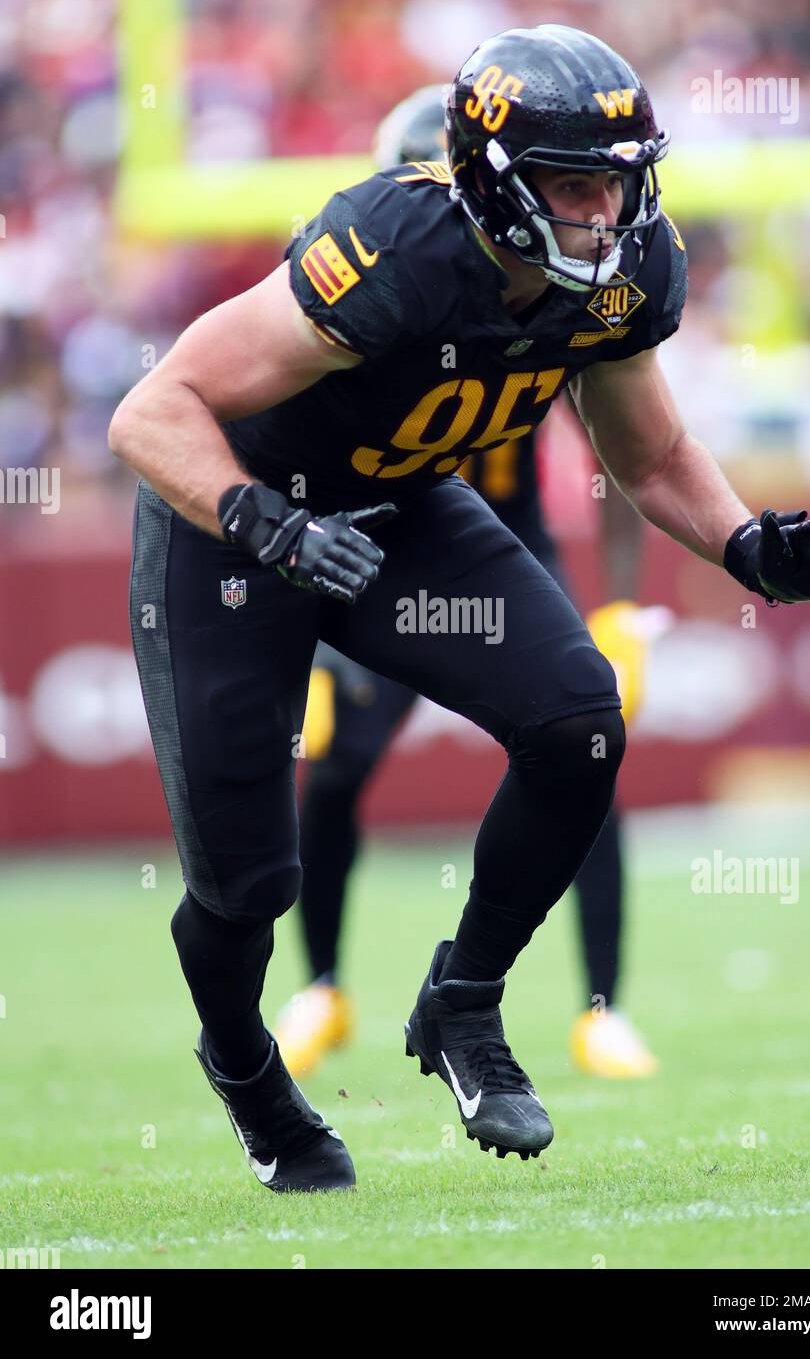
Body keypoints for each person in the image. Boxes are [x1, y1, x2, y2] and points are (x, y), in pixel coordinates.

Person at [111, 25, 810, 1192]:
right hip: (240, 530)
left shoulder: (619, 271)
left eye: (615, 184)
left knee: (577, 718)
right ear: (493, 181)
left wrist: (748, 545)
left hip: (400, 508)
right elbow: (152, 411)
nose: (603, 215)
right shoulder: (395, 246)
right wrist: (266, 522)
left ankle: (463, 1001)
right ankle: (249, 1068)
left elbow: (652, 459)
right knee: (245, 884)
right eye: (572, 185)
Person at [276, 83, 660, 1084]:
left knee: (584, 742)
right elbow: (292, 442)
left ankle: (601, 1002)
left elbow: (635, 453)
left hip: (508, 541)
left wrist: (618, 606)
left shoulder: (558, 286)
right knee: (345, 755)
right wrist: (308, 638)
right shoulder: (393, 276)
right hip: (395, 537)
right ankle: (320, 983)